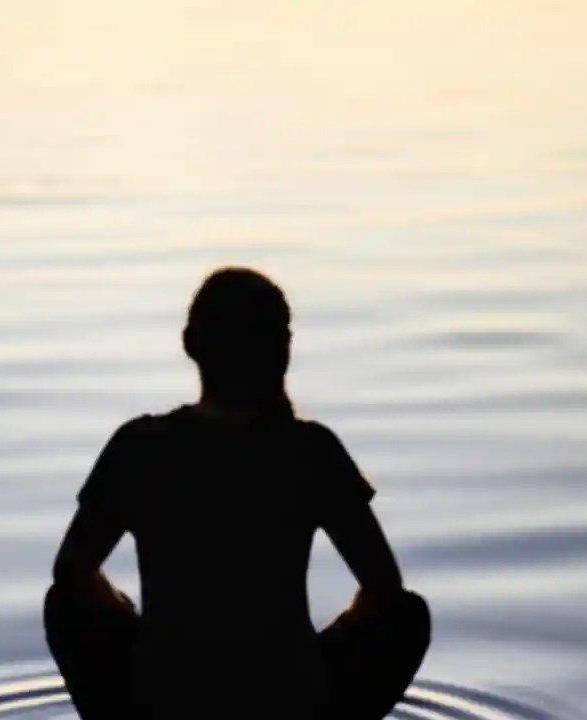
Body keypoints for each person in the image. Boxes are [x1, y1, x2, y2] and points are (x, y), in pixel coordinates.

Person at [44, 266, 430, 720]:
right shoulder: (312, 451)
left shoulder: (137, 447)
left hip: (161, 701)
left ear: (190, 345)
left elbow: (71, 572)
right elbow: (384, 588)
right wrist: (330, 645)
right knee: (407, 615)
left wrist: (121, 609)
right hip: (290, 702)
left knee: (65, 604)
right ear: (282, 350)